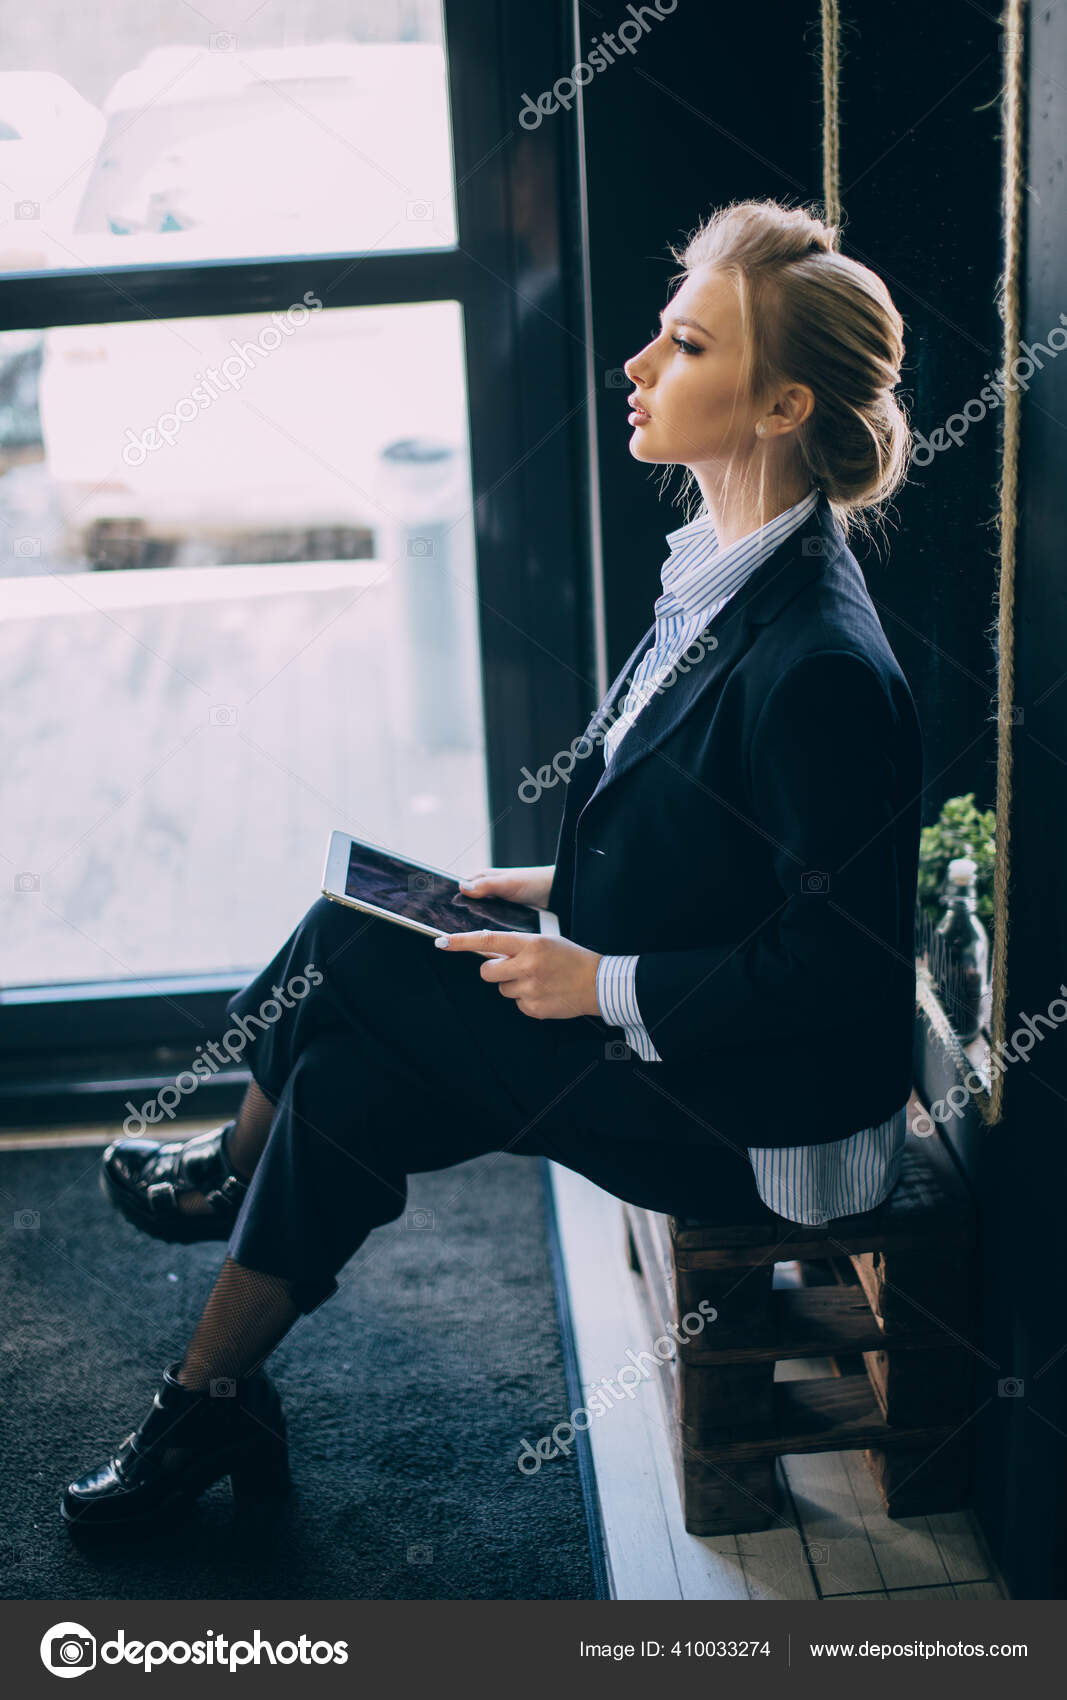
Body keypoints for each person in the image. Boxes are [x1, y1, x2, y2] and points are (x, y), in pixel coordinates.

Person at [63, 198, 922, 1538]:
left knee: (350, 950)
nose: (638, 367)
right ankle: (209, 1401)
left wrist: (602, 983)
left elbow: (843, 971)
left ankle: (228, 1178)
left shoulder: (817, 663)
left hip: (759, 1124)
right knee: (344, 1073)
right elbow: (726, 854)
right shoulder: (719, 573)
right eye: (659, 331)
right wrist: (560, 893)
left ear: (779, 405)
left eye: (687, 346)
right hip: (682, 1038)